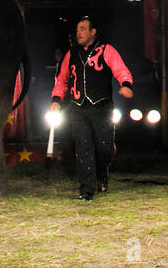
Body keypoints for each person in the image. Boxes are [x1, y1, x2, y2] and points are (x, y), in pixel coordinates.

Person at [49, 15, 134, 200]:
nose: (78, 33)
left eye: (82, 29)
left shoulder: (106, 50)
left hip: (101, 107)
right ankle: (87, 190)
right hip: (78, 108)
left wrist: (126, 84)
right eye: (77, 29)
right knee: (83, 148)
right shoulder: (71, 54)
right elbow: (62, 80)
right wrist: (56, 99)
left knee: (104, 148)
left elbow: (120, 69)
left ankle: (102, 174)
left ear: (93, 32)